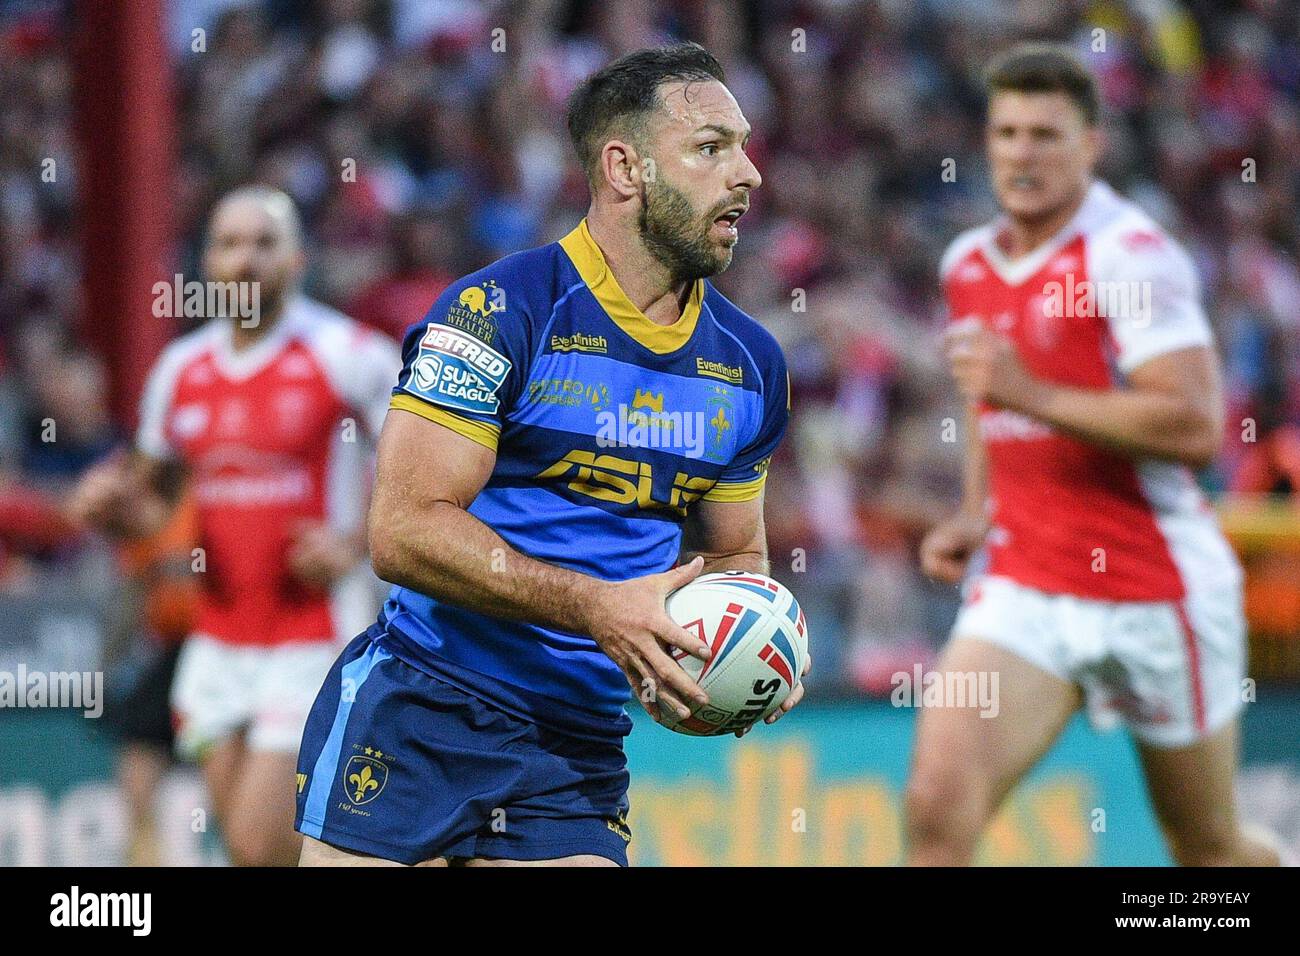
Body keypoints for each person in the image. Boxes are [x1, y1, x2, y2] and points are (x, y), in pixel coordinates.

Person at [295, 42, 807, 868]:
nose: (747, 173)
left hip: (575, 744)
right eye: (712, 148)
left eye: (744, 146)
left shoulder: (750, 366)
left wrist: (745, 648)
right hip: (425, 704)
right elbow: (401, 532)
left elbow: (736, 553)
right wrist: (597, 608)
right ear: (625, 167)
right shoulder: (498, 313)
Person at [909, 42, 1280, 867]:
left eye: (1045, 134)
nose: (1021, 153)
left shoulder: (1130, 256)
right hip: (1027, 583)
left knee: (1206, 850)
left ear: (1092, 144)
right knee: (937, 811)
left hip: (1155, 586)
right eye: (1006, 133)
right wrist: (977, 511)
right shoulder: (966, 262)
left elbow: (1193, 425)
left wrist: (1029, 391)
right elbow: (985, 395)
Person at [68, 186, 401, 866]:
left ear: (299, 257)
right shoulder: (180, 370)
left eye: (263, 242)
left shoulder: (350, 355)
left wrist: (356, 541)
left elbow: (431, 469)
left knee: (256, 839)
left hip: (312, 633)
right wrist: (110, 507)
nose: (245, 258)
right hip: (215, 640)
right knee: (255, 853)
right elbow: (154, 507)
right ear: (208, 262)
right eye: (228, 243)